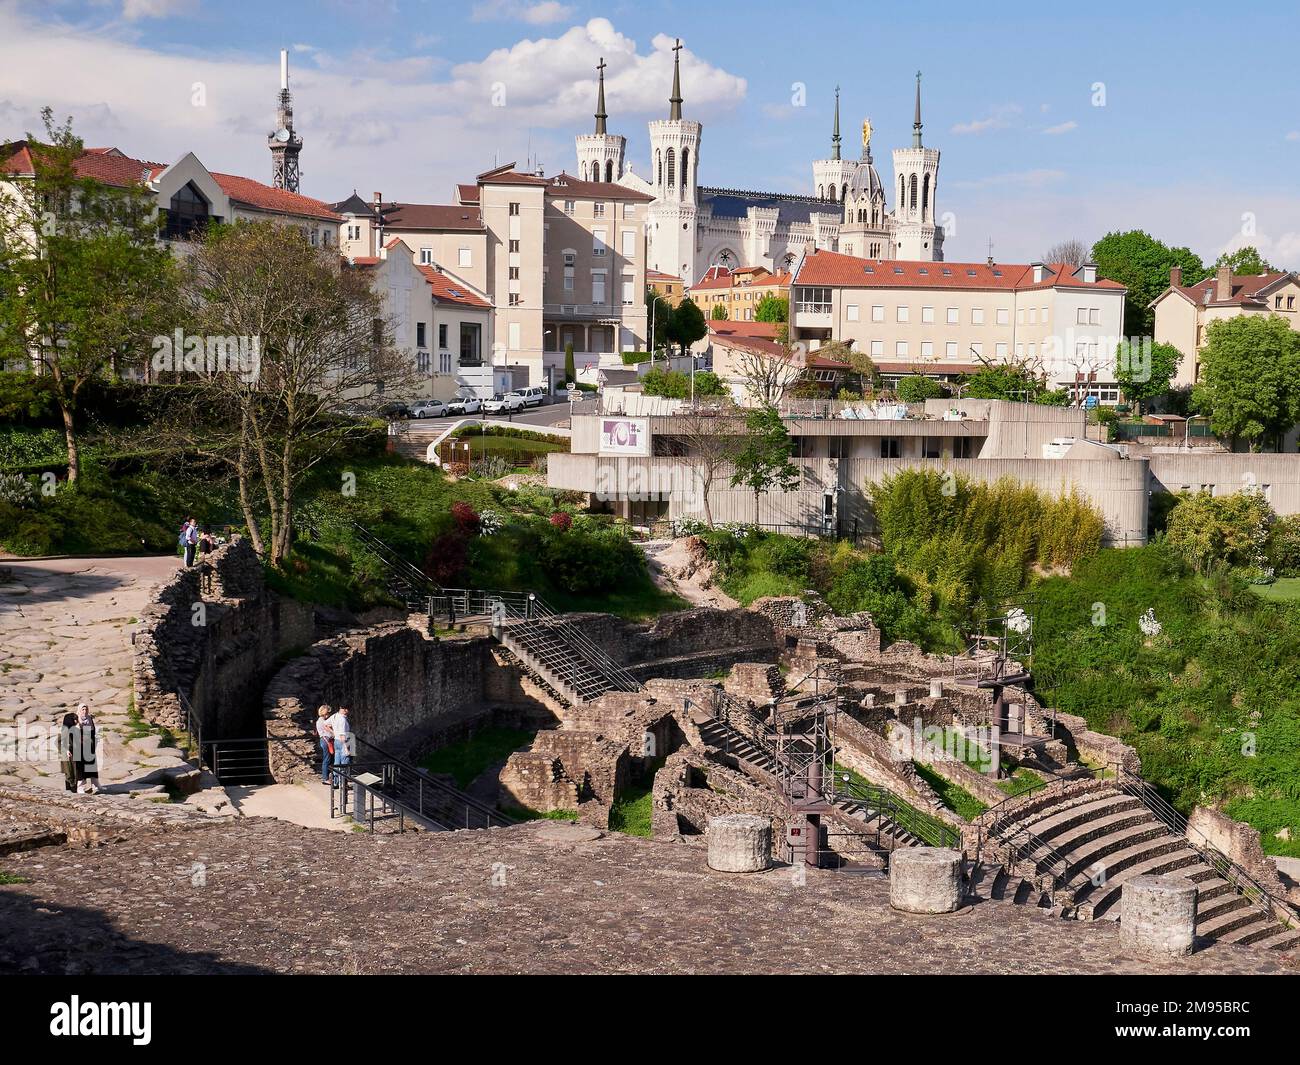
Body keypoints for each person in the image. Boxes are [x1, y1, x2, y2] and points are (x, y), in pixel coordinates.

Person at [75, 703, 99, 794]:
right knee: (81, 768)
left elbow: (93, 732)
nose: (85, 711)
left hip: (89, 746)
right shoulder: (76, 720)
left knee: (92, 767)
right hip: (80, 748)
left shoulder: (89, 719)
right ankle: (80, 787)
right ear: (79, 710)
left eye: (86, 709)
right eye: (83, 710)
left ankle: (95, 786)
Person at [57, 712, 79, 793]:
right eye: (75, 720)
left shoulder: (70, 728)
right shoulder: (66, 729)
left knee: (69, 771)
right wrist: (66, 750)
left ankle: (69, 789)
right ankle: (73, 789)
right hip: (68, 754)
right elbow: (60, 741)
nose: (76, 721)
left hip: (69, 753)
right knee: (71, 771)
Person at [316, 705, 334, 784]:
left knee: (328, 758)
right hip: (326, 740)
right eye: (328, 713)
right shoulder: (321, 721)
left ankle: (327, 777)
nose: (329, 714)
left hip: (326, 740)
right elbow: (326, 731)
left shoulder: (322, 720)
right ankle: (325, 778)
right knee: (327, 759)